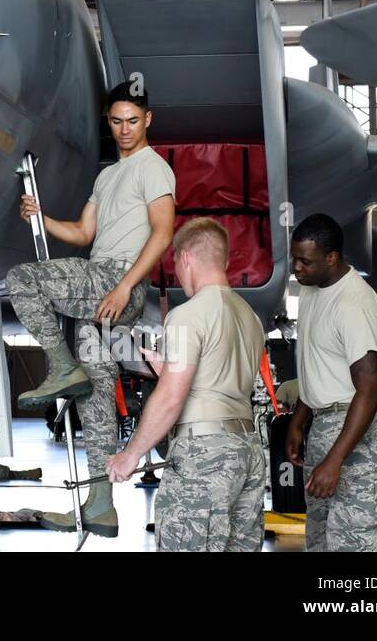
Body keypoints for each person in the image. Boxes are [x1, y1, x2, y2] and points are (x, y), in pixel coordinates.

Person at [6, 80, 176, 536]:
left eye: (133, 121)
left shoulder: (153, 168)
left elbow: (163, 234)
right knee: (96, 402)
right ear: (110, 120)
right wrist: (41, 217)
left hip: (116, 280)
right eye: (117, 121)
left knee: (21, 280)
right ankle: (100, 506)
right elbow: (83, 234)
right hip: (100, 282)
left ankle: (61, 366)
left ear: (148, 120)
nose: (125, 130)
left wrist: (125, 286)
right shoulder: (107, 175)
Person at [105, 218, 266, 551]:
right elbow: (219, 378)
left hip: (204, 453)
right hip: (247, 449)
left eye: (176, 262)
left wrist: (131, 454)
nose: (177, 270)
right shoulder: (250, 317)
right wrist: (167, 369)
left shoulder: (187, 315)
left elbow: (171, 397)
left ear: (187, 257)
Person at [285, 213, 377, 552]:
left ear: (332, 258)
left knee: (354, 540)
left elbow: (370, 388)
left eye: (305, 261)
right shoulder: (312, 289)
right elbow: (322, 363)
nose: (296, 268)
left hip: (362, 423)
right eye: (294, 258)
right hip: (325, 420)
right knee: (321, 537)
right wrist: (299, 419)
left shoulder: (353, 304)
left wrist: (335, 460)